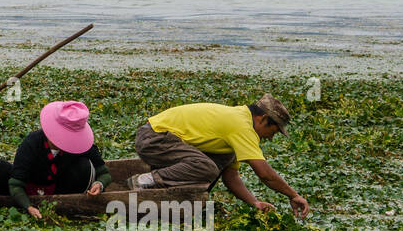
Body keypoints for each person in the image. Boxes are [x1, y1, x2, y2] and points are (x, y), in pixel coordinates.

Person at [128, 93, 310, 219]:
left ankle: (185, 198)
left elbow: (231, 177)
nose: (270, 137)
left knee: (224, 158)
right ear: (262, 119)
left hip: (161, 140)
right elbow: (264, 173)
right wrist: (293, 195)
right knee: (207, 167)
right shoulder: (241, 126)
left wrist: (253, 202)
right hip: (153, 138)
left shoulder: (239, 126)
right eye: (273, 131)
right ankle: (146, 180)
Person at [0, 101, 110, 218]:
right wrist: (28, 206)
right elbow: (15, 184)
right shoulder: (32, 143)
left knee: (85, 166)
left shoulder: (80, 145)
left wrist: (99, 184)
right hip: (28, 187)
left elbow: (104, 173)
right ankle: (20, 201)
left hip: (61, 188)